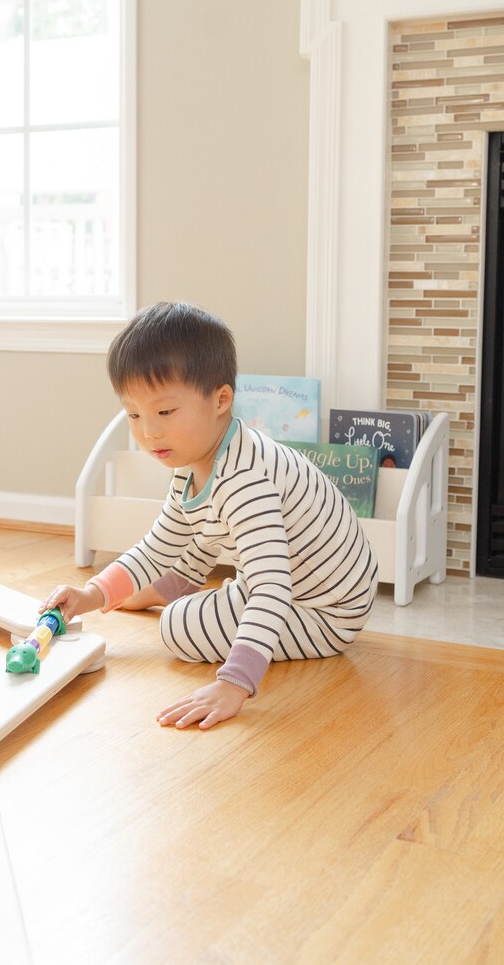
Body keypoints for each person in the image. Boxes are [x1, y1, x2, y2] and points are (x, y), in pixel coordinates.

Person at [42, 302, 378, 730]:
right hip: (294, 585)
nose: (149, 431)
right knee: (198, 525)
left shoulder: (245, 479)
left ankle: (172, 594)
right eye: (134, 414)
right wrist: (92, 594)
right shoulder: (195, 461)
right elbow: (159, 544)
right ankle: (171, 586)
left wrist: (234, 684)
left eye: (164, 412)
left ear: (221, 400)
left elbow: (270, 587)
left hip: (327, 610)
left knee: (177, 627)